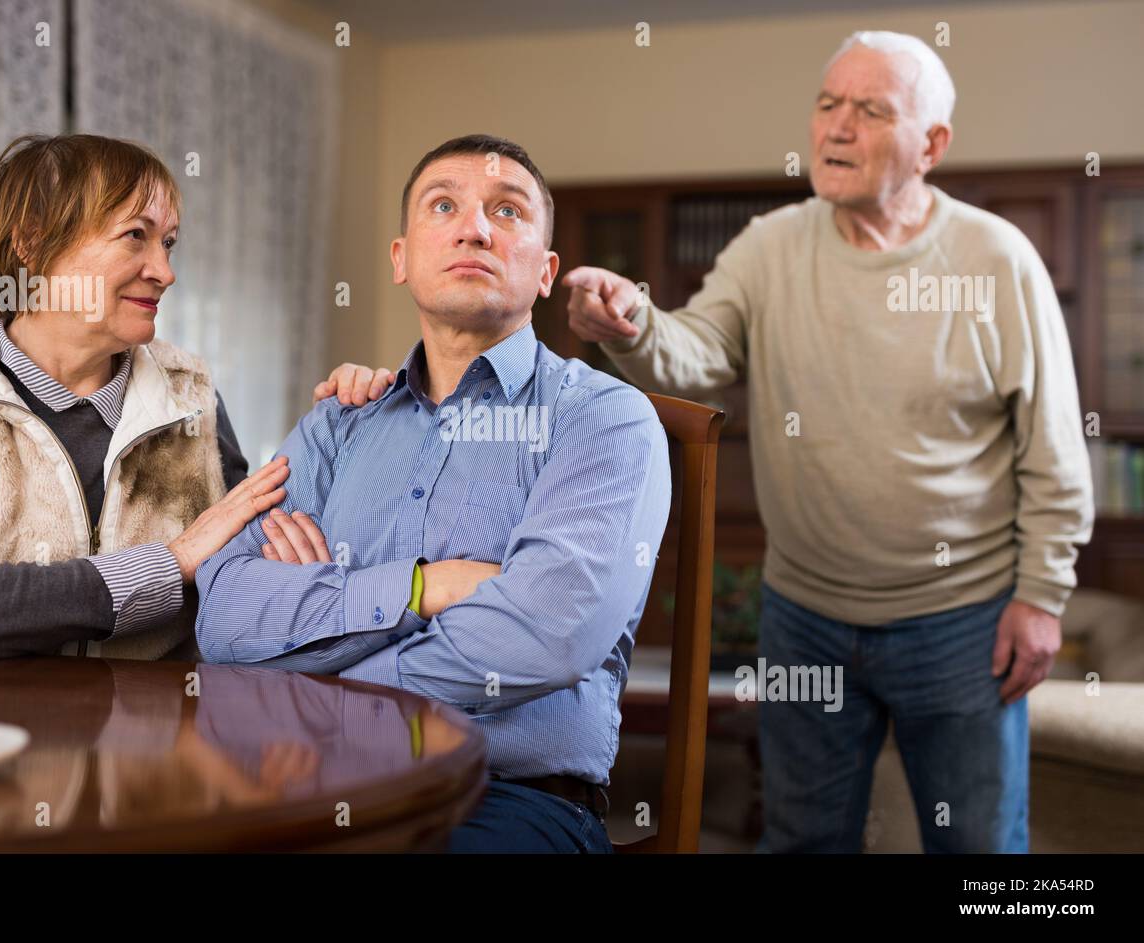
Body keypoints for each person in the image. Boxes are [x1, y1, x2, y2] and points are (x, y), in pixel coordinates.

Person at [561, 31, 1094, 852]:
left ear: (932, 145)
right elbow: (696, 355)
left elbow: (1053, 446)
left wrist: (1042, 596)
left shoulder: (997, 258)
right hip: (804, 613)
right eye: (827, 104)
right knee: (801, 840)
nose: (836, 127)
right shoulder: (770, 246)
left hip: (963, 618)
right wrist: (631, 324)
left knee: (982, 848)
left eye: (871, 111)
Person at [196, 134, 671, 853]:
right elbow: (227, 615)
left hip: (506, 798)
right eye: (443, 204)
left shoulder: (602, 415)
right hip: (308, 783)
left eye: (506, 211)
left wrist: (327, 673)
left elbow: (552, 627)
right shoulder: (337, 423)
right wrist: (424, 589)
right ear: (400, 259)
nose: (474, 226)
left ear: (546, 273)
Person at [0, 133, 384, 660]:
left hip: (146, 733)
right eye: (135, 236)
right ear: (31, 241)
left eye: (168, 242)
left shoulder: (189, 391)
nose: (165, 272)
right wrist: (171, 565)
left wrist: (355, 418)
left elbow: (244, 564)